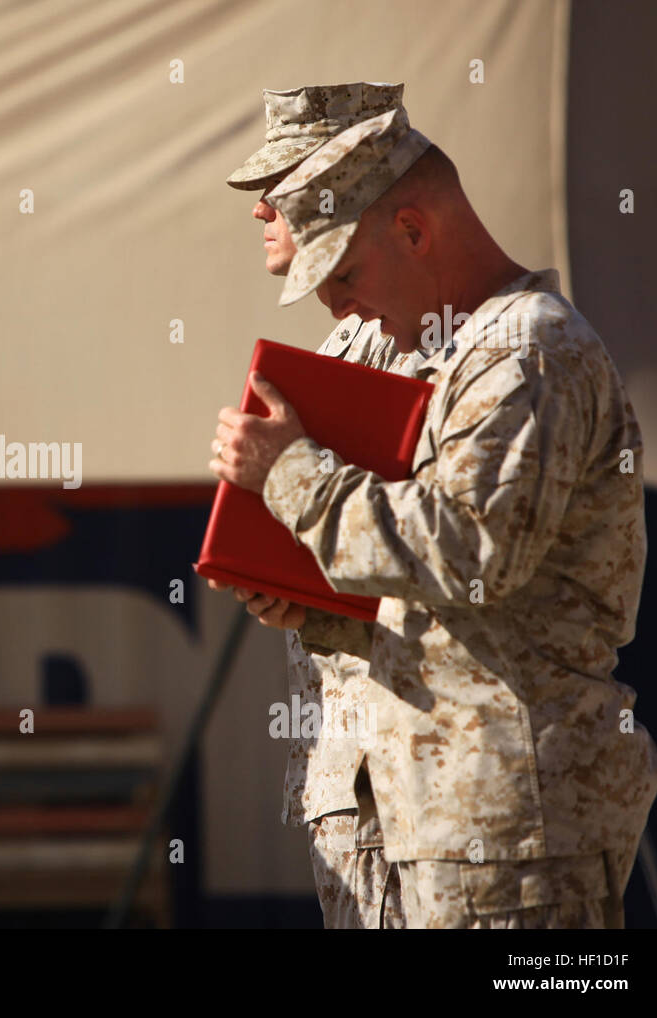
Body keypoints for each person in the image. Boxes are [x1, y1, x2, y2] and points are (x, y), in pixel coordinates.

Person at [212, 108, 657, 927]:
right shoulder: (451, 347)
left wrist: (293, 476)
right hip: (437, 812)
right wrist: (323, 612)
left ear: (414, 230)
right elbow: (462, 619)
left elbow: (473, 549)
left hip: (512, 824)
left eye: (345, 276)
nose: (340, 311)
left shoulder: (527, 348)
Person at [212, 82, 412, 928]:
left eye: (290, 180)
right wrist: (299, 603)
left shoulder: (452, 341)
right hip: (351, 774)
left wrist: (290, 473)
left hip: (423, 784)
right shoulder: (348, 342)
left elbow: (461, 572)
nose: (264, 207)